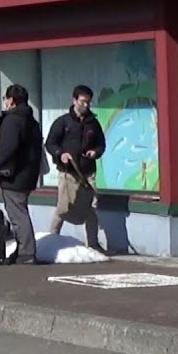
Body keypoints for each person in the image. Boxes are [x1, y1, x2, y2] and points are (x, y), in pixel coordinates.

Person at [0, 83, 47, 265]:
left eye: (6, 99)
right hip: (28, 173)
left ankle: (26, 252)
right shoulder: (31, 121)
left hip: (14, 174)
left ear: (12, 100)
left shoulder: (12, 120)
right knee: (20, 210)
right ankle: (22, 249)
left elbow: (8, 147)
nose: (5, 102)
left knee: (17, 214)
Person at [44, 85, 106, 252]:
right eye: (82, 101)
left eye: (88, 102)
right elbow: (50, 143)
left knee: (91, 207)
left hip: (88, 172)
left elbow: (101, 144)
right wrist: (60, 154)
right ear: (74, 100)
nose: (85, 105)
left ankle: (93, 244)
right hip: (68, 172)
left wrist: (95, 152)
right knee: (64, 206)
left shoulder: (93, 123)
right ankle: (51, 239)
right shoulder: (63, 122)